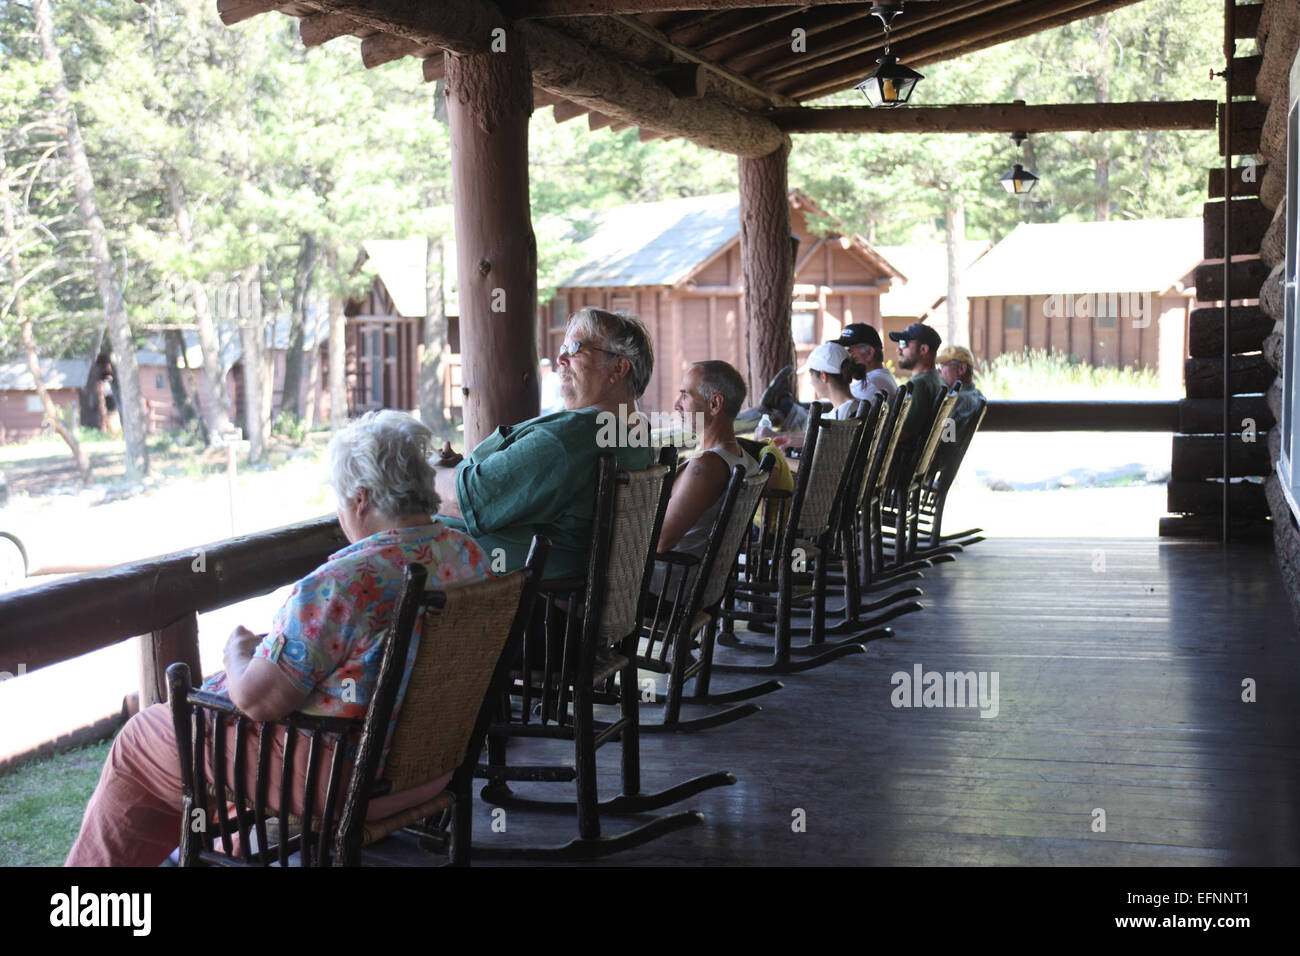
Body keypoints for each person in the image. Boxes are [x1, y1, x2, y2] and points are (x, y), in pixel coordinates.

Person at [66, 411, 491, 867]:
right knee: (213, 756)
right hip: (430, 770)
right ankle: (219, 850)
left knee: (144, 738)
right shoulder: (466, 555)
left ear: (361, 499)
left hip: (343, 782)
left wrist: (237, 652)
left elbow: (255, 700)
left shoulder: (346, 582)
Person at [434, 308, 657, 581]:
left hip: (500, 594)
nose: (560, 358)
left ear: (618, 368)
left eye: (575, 348)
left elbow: (468, 500)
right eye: (563, 348)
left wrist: (426, 474)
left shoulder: (572, 437)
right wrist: (462, 469)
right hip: (555, 589)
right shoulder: (634, 432)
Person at [650, 361, 760, 593]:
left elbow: (660, 541)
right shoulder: (743, 458)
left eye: (685, 395)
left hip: (665, 588)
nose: (676, 405)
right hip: (699, 586)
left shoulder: (707, 466)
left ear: (714, 403)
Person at [771, 342, 865, 453]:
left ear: (823, 376)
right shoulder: (852, 409)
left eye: (811, 374)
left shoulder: (845, 417)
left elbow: (825, 468)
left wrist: (782, 461)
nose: (810, 382)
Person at [889, 322, 944, 443]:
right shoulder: (937, 379)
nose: (898, 349)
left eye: (904, 343)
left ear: (923, 349)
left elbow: (903, 434)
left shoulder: (919, 384)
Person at [936, 344, 985, 430]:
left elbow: (945, 438)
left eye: (943, 366)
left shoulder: (957, 400)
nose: (939, 371)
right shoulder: (977, 395)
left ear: (962, 369)